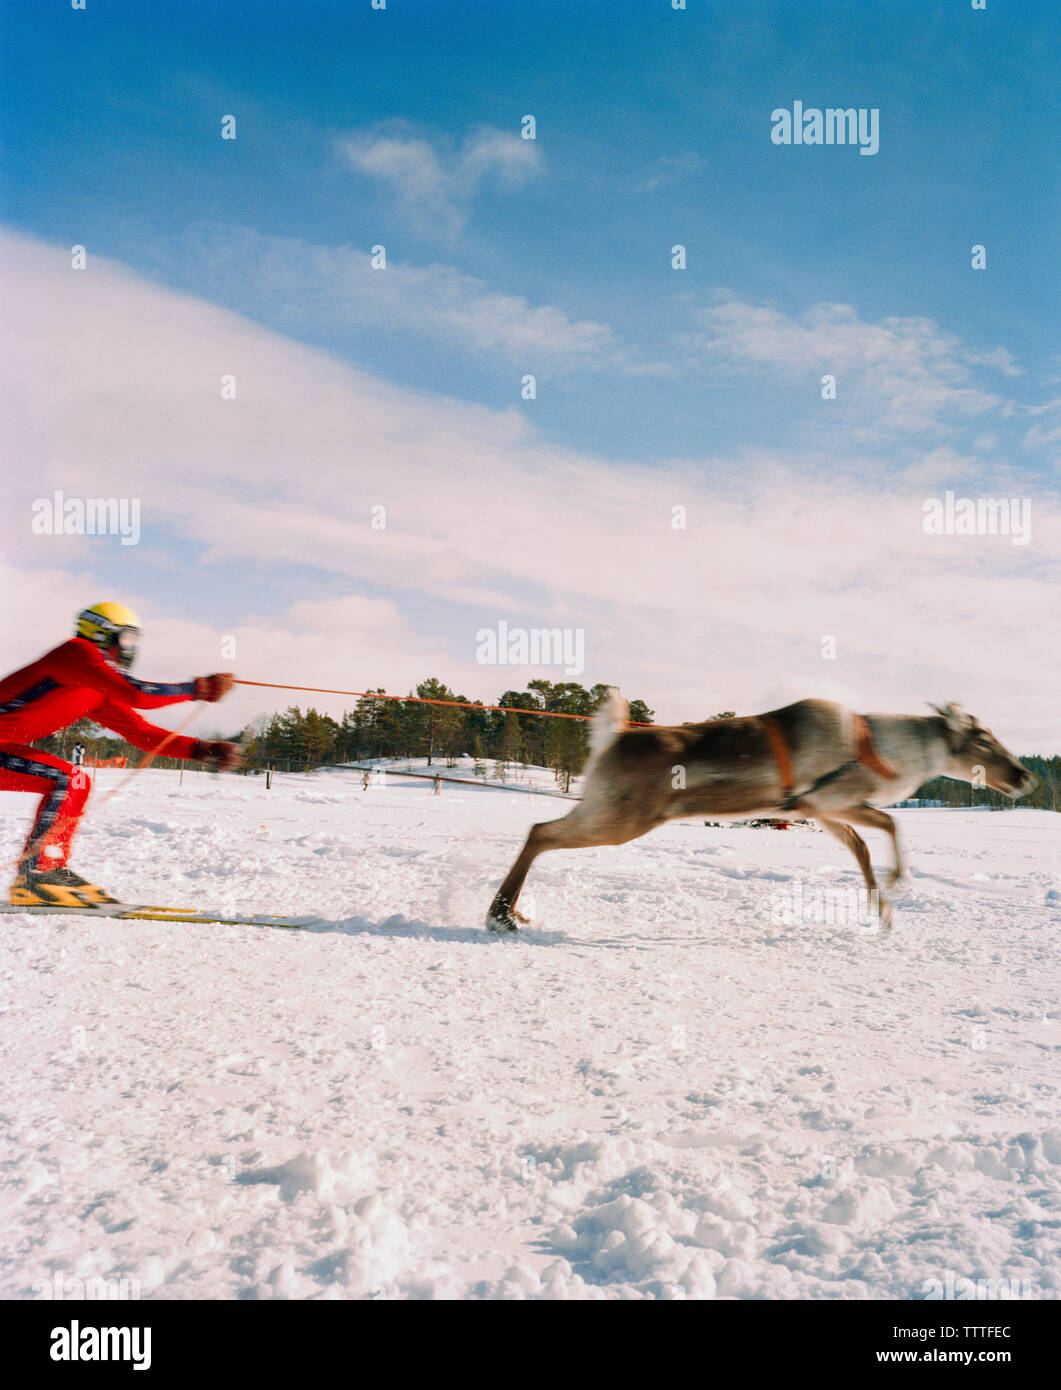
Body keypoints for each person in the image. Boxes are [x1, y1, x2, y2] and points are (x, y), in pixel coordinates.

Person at [0, 602, 241, 907]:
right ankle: (38, 876)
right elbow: (138, 693)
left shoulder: (95, 690)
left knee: (76, 782)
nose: (130, 648)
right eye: (126, 639)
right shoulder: (76, 652)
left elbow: (143, 734)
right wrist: (198, 688)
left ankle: (49, 869)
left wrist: (202, 750)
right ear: (102, 635)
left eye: (134, 641)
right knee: (67, 778)